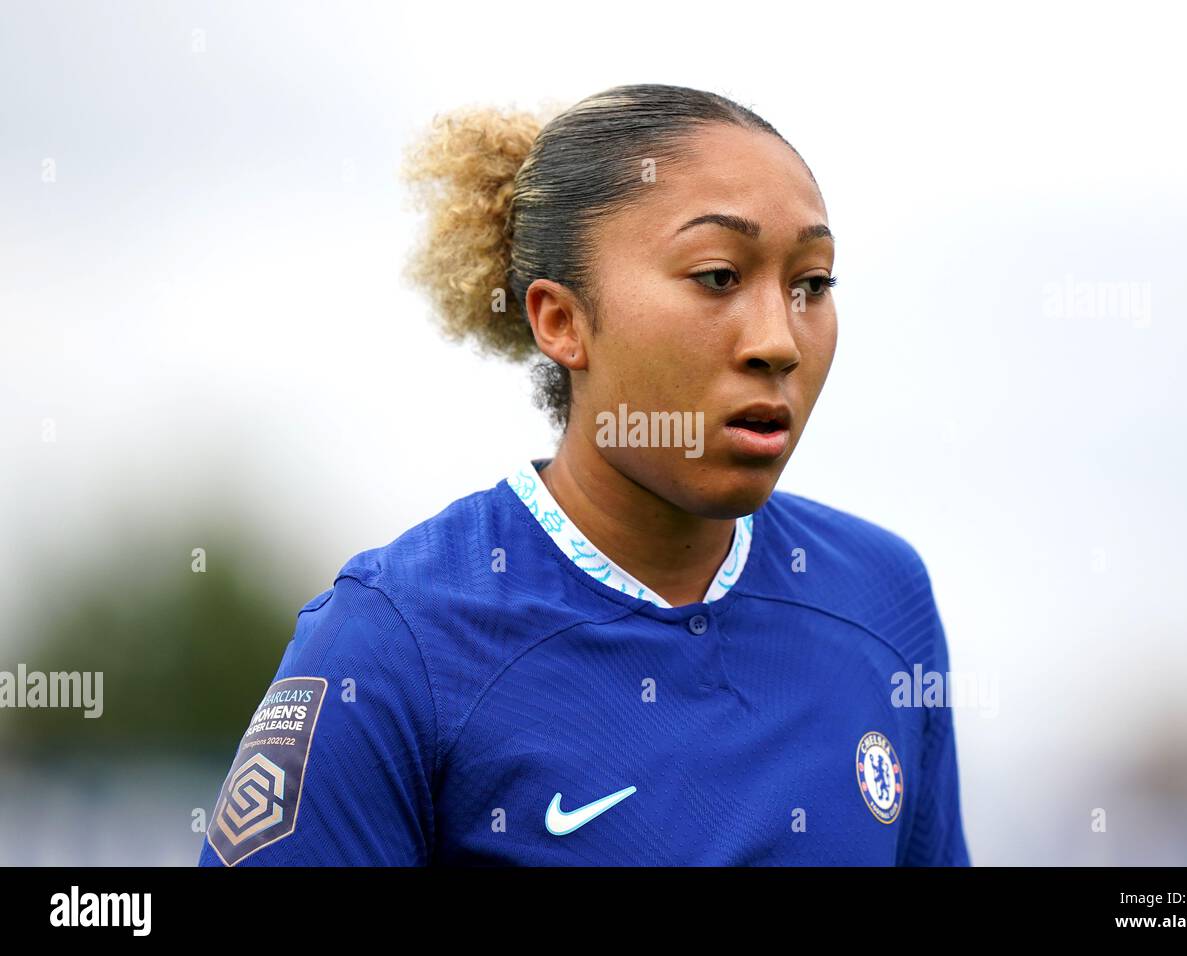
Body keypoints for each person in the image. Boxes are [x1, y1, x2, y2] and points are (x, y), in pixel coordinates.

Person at [198, 82, 971, 866]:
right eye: (717, 276)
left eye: (811, 283)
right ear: (561, 321)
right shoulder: (395, 643)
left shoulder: (882, 600)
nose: (779, 340)